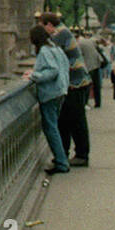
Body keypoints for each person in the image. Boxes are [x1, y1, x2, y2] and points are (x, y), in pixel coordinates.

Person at [39, 12, 92, 167]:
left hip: (75, 83)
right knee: (66, 120)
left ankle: (81, 155)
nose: (42, 30)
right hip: (74, 82)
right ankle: (65, 153)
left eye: (42, 26)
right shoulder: (62, 31)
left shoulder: (59, 34)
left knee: (76, 120)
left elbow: (48, 54)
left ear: (49, 25)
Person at [25, 24, 70, 174]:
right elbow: (63, 68)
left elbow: (53, 70)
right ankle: (61, 158)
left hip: (50, 94)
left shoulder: (44, 50)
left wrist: (34, 75)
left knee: (51, 128)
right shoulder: (56, 48)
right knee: (54, 127)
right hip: (60, 91)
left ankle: (61, 162)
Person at [78, 31, 103, 108]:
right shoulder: (90, 41)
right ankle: (98, 103)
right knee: (96, 85)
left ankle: (85, 102)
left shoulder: (79, 43)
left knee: (87, 85)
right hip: (96, 63)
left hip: (88, 66)